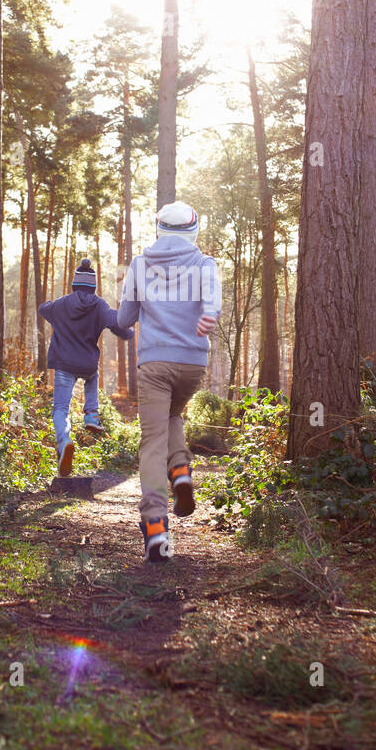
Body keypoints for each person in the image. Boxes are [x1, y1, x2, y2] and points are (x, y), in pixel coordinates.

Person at [117, 201, 221, 561]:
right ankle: (180, 471)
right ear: (193, 230)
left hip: (155, 363)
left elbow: (125, 316)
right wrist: (207, 317)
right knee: (174, 416)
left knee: (152, 441)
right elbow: (212, 303)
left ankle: (156, 525)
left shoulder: (140, 264)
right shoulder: (205, 264)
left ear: (159, 229)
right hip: (192, 363)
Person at [38, 258, 133, 476]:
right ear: (93, 286)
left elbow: (44, 309)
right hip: (88, 363)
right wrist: (128, 333)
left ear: (74, 285)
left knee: (60, 409)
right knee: (92, 378)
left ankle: (64, 443)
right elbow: (115, 321)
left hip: (63, 364)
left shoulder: (62, 304)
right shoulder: (99, 305)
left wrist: (59, 310)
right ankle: (91, 415)